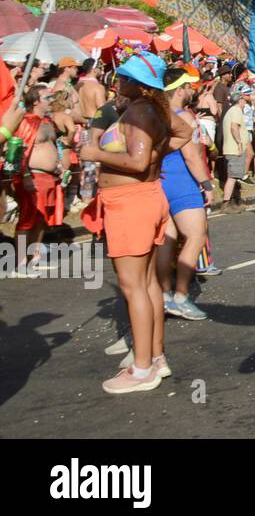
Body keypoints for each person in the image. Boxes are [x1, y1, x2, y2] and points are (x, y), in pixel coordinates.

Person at [75, 51, 173, 394]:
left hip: (132, 204)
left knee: (135, 288)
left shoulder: (141, 111)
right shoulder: (149, 110)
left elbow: (137, 160)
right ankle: (154, 358)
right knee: (146, 285)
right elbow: (184, 133)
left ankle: (142, 368)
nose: (117, 82)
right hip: (140, 200)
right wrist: (158, 154)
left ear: (136, 82)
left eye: (122, 77)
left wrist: (95, 154)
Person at [157, 64, 215, 321]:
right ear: (179, 89)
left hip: (160, 182)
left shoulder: (156, 114)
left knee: (167, 241)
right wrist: (206, 184)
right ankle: (181, 296)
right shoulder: (185, 117)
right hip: (182, 182)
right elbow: (191, 156)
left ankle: (164, 295)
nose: (192, 89)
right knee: (195, 236)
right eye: (188, 85)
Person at [3, 84, 63, 274]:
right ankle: (20, 262)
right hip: (32, 176)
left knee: (41, 218)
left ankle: (33, 257)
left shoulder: (47, 121)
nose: (52, 101)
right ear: (36, 100)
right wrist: (26, 175)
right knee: (28, 219)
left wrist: (60, 166)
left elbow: (55, 146)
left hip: (49, 177)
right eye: (48, 98)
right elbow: (20, 151)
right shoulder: (27, 122)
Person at [220, 85, 251, 205]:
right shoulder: (236, 111)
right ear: (240, 100)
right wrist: (239, 142)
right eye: (243, 100)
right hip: (234, 149)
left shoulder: (231, 111)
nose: (244, 102)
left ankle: (233, 200)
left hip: (231, 149)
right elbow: (234, 127)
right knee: (232, 177)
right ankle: (226, 203)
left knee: (233, 176)